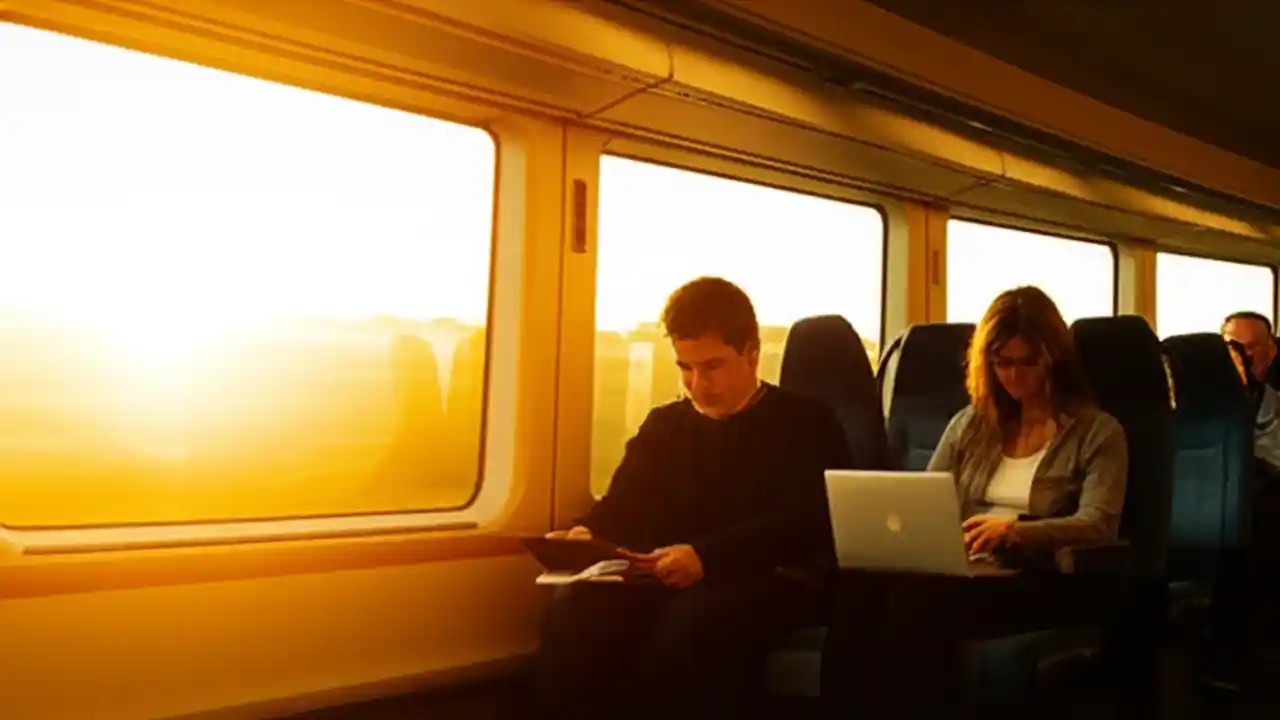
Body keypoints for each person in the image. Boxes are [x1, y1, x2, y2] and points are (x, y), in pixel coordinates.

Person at [536, 277, 852, 719]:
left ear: (752, 354)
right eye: (685, 368)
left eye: (713, 366)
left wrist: (707, 556)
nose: (697, 384)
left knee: (693, 623)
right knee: (575, 612)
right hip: (672, 570)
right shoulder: (665, 425)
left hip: (772, 574)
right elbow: (626, 501)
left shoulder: (807, 423)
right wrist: (589, 532)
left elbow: (804, 522)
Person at [822, 286, 1128, 712]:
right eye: (1003, 363)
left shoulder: (1097, 432)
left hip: (1040, 577)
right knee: (856, 593)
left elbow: (1099, 523)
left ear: (1054, 358)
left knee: (913, 607)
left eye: (1027, 362)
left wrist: (1018, 531)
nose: (1014, 376)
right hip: (966, 566)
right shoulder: (971, 423)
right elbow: (928, 497)